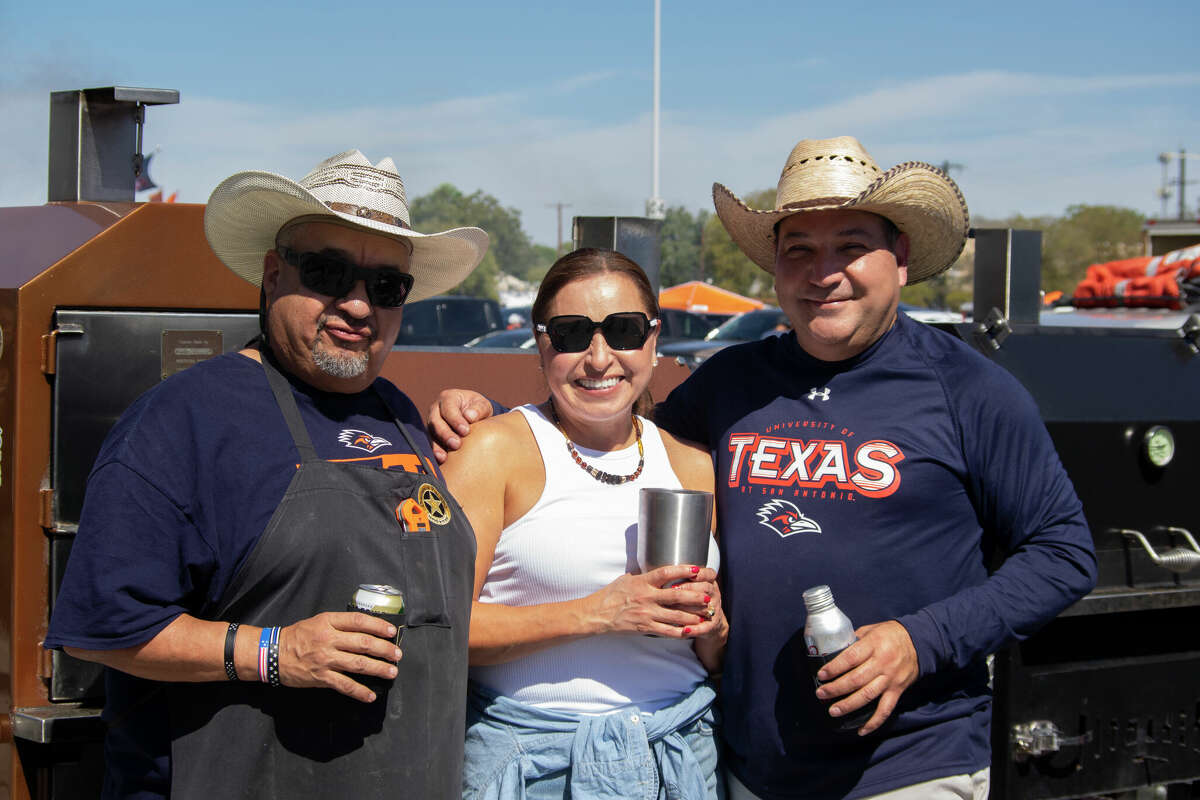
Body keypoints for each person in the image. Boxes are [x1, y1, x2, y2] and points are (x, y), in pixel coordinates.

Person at [428, 137, 1097, 799]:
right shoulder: (731, 384)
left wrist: (920, 642)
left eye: (852, 246)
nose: (823, 271)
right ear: (776, 267)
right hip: (750, 763)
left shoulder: (970, 390)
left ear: (899, 257)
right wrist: (494, 421)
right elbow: (610, 433)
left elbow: (1064, 553)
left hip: (909, 761)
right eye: (799, 249)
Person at [44, 149, 489, 800]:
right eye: (330, 272)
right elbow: (106, 630)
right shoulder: (183, 423)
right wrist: (272, 653)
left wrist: (484, 414)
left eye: (386, 286)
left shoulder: (399, 415)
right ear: (274, 275)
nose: (359, 305)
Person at [442, 248, 728, 799]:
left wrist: (713, 628)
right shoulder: (494, 449)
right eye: (572, 333)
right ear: (540, 341)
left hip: (682, 753)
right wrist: (599, 613)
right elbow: (444, 625)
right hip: (536, 761)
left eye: (623, 330)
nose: (599, 359)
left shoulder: (693, 464)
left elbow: (713, 649)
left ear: (653, 338)